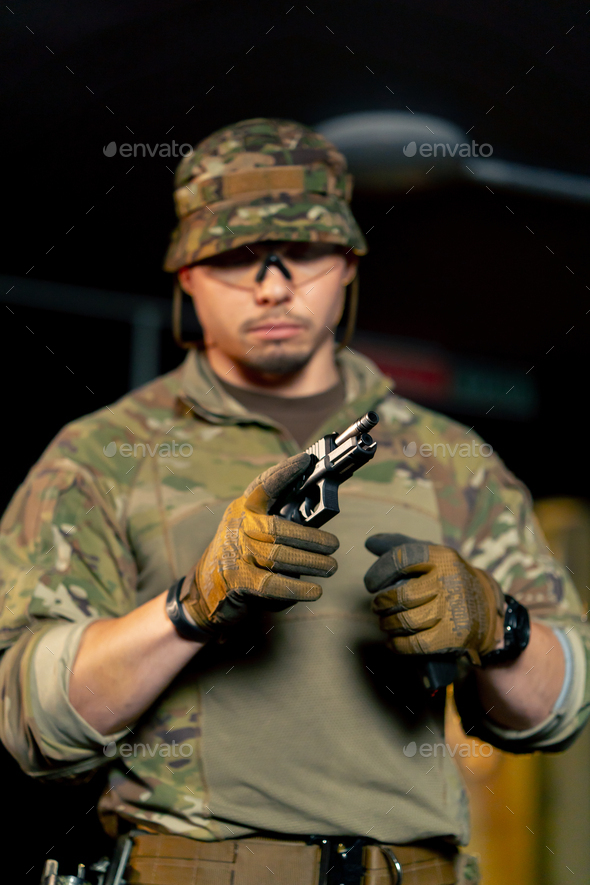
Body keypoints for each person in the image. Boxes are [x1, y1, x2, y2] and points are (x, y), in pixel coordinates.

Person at [0, 117, 588, 885]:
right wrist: (189, 606)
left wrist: (498, 624)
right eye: (236, 255)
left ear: (347, 262)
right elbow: (30, 718)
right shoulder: (101, 457)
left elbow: (565, 701)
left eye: (302, 251)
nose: (272, 283)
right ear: (187, 275)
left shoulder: (454, 461)